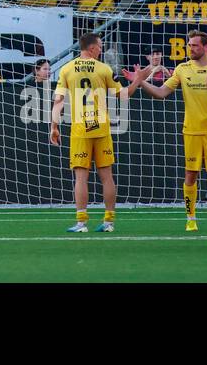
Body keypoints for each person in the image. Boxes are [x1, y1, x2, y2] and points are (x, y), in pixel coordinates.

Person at [134, 30, 207, 233]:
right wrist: (140, 81)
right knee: (191, 175)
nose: (190, 49)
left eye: (194, 45)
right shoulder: (182, 69)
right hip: (192, 131)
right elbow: (161, 92)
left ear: (206, 47)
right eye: (189, 45)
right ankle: (191, 218)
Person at [50, 31, 146, 232]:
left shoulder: (67, 69)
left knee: (81, 178)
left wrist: (54, 126)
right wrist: (138, 80)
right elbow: (124, 94)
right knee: (107, 176)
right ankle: (109, 222)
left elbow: (58, 101)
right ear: (91, 48)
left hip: (80, 128)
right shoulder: (104, 69)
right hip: (101, 127)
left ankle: (81, 222)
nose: (101, 50)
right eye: (100, 46)